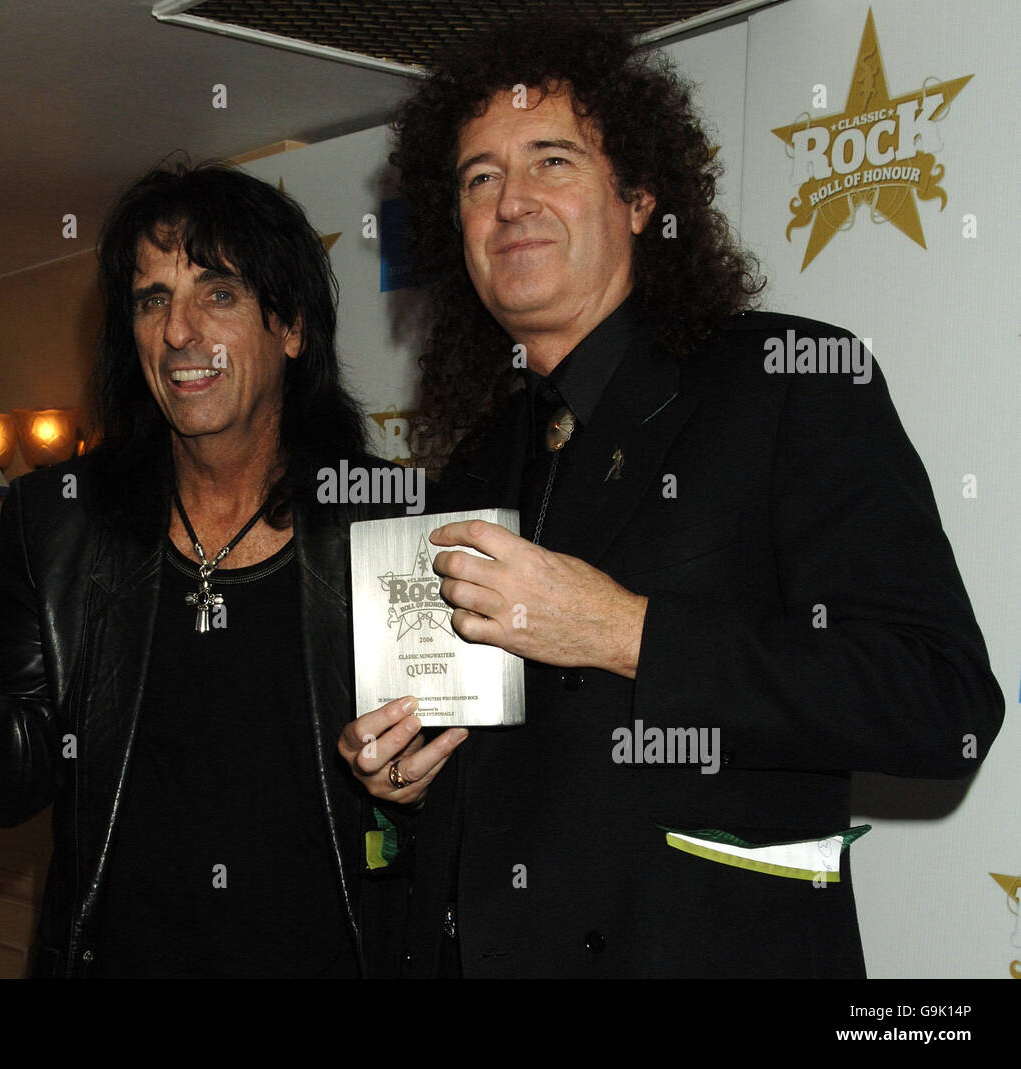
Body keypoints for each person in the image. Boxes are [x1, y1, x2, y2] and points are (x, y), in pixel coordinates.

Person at [342, 14, 1005, 977]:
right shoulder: (479, 461)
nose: (511, 201)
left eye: (552, 161)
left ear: (641, 195)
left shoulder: (787, 381)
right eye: (479, 177)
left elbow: (941, 703)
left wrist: (624, 631)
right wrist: (402, 782)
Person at [0, 161, 410, 978]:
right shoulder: (60, 523)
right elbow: (14, 775)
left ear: (293, 327)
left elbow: (457, 798)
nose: (179, 332)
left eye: (219, 293)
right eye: (152, 299)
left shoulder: (387, 523)